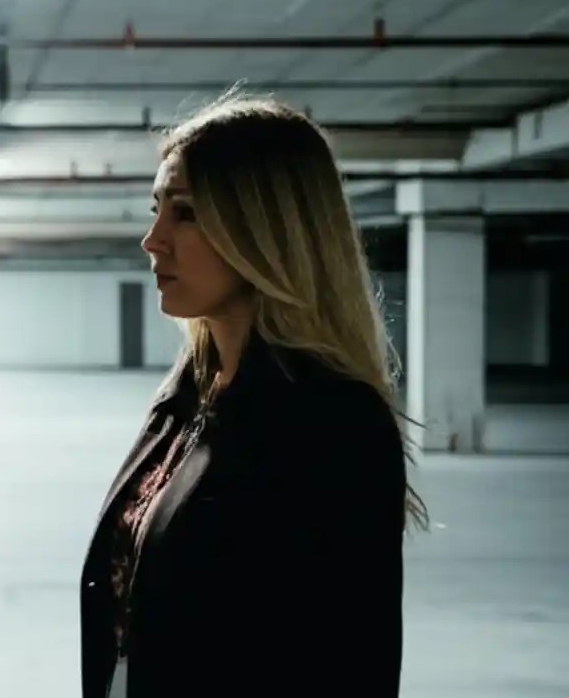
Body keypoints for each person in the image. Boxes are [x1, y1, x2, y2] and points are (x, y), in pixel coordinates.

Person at [79, 95, 428, 697]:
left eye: (184, 213)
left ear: (263, 228)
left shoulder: (334, 425)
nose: (152, 239)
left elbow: (353, 664)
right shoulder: (187, 395)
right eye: (157, 208)